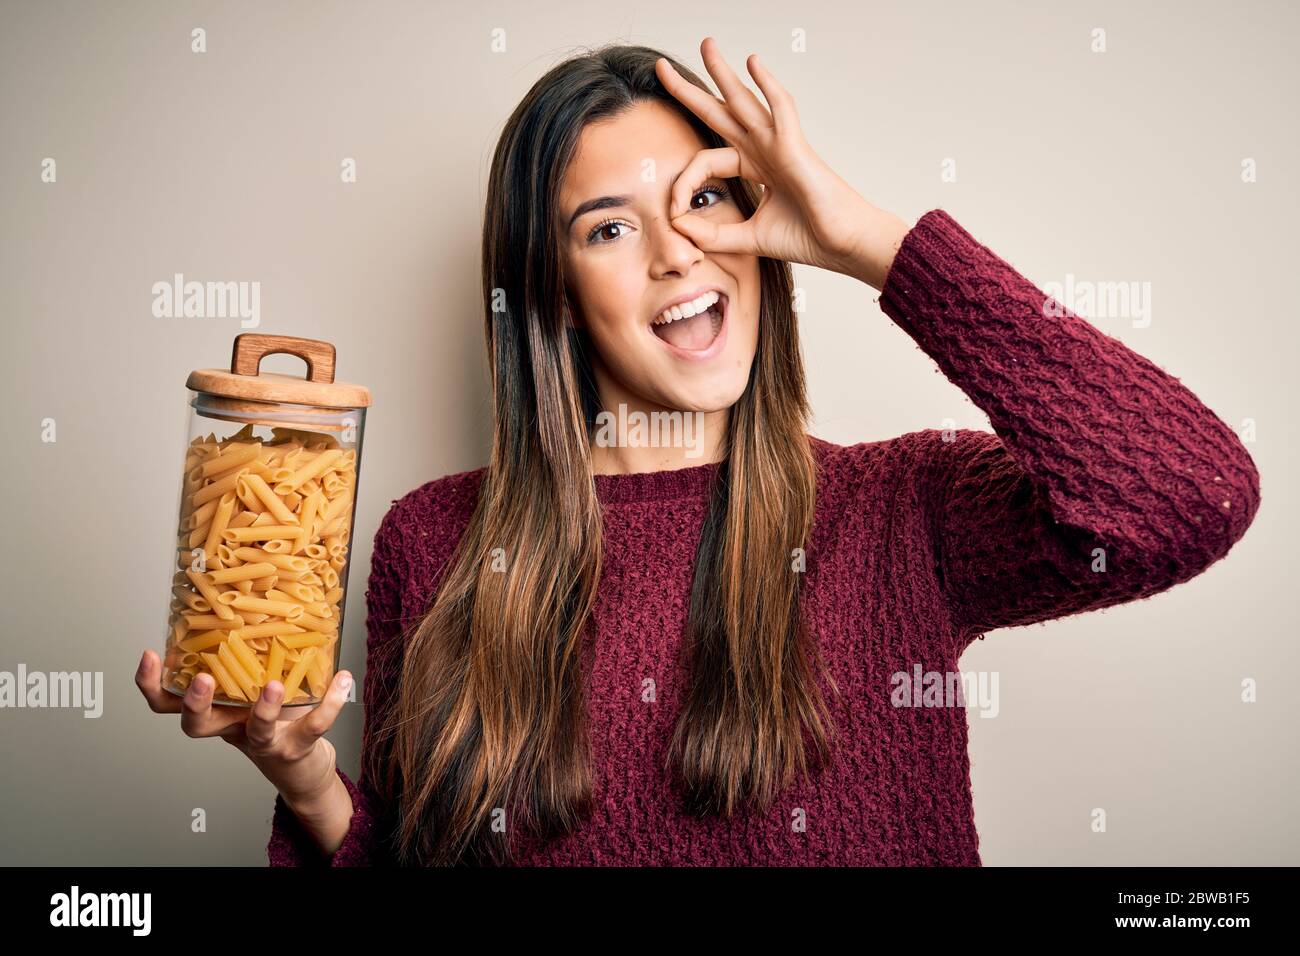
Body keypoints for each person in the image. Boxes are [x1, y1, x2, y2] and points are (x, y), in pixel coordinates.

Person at [137, 38, 1261, 866]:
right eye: (611, 228)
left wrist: (867, 241)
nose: (678, 253)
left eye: (708, 199)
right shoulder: (430, 539)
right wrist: (308, 780)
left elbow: (1192, 491)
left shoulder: (897, 508)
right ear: (554, 295)